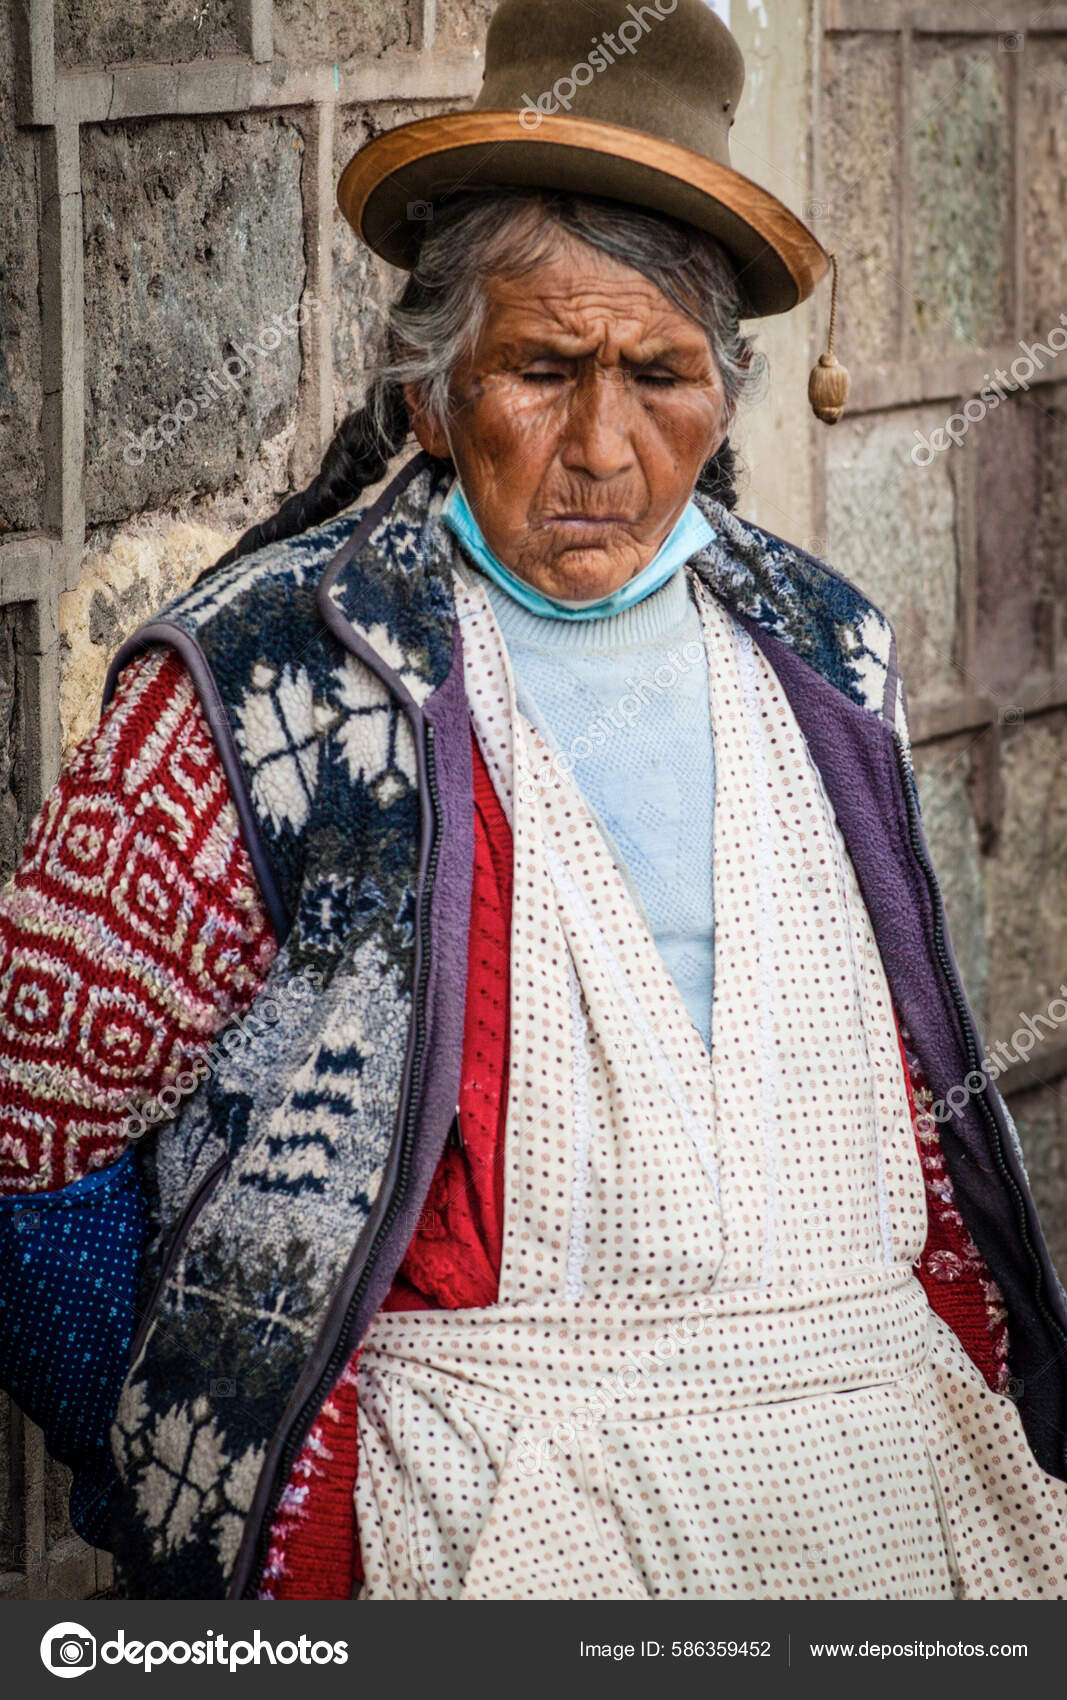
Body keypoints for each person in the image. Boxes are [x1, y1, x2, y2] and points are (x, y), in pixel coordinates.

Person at [2, 0, 1066, 1602]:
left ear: (726, 394)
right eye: (544, 369)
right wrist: (249, 1477)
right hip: (465, 1518)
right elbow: (29, 1134)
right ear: (433, 394)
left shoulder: (829, 652)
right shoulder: (271, 677)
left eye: (660, 376)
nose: (604, 445)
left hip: (872, 1496)